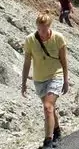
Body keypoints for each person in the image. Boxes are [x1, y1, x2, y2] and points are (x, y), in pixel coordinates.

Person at [21, 13, 70, 149]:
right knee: (50, 109)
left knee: (47, 107)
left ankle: (48, 142)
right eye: (39, 29)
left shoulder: (58, 38)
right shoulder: (30, 40)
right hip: (39, 79)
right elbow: (26, 63)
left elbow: (64, 61)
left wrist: (66, 80)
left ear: (49, 26)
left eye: (44, 29)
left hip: (56, 76)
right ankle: (57, 132)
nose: (41, 33)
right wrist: (24, 82)